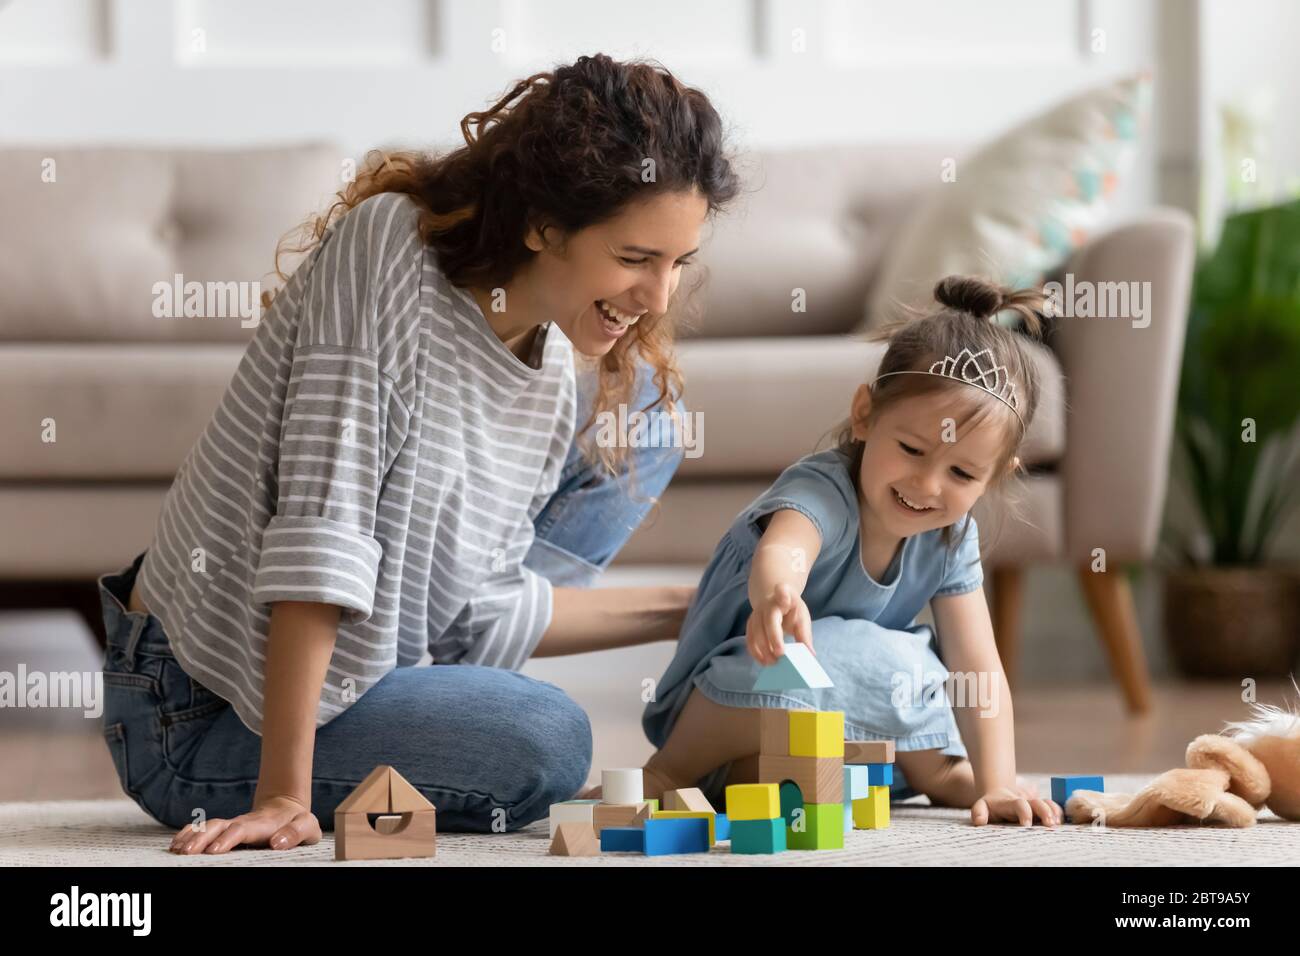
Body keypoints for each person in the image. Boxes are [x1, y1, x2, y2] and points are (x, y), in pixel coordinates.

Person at [96, 53, 741, 855]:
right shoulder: (389, 252)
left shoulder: (545, 374)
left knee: (648, 411)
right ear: (542, 222)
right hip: (197, 712)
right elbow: (319, 529)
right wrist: (283, 796)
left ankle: (459, 720)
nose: (659, 297)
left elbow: (481, 608)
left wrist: (717, 601)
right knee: (548, 739)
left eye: (678, 263)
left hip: (368, 673)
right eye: (636, 259)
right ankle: (457, 730)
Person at [634, 276, 1064, 828]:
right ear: (865, 415)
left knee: (913, 675)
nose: (928, 485)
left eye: (961, 473)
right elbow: (787, 543)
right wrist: (779, 592)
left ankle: (939, 776)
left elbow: (976, 663)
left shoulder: (952, 537)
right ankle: (670, 773)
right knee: (855, 653)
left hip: (828, 732)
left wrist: (999, 778)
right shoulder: (824, 490)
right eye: (911, 449)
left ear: (996, 477)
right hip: (735, 699)